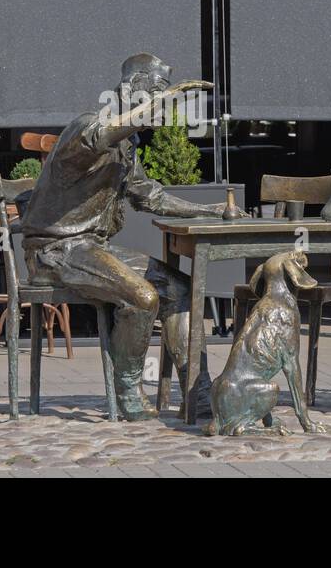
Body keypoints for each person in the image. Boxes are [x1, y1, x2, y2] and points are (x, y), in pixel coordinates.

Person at [21, 53, 239, 421]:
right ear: (128, 90)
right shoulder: (87, 127)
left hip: (92, 249)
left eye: (164, 95)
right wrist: (153, 106)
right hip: (55, 251)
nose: (161, 103)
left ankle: (197, 390)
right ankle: (128, 387)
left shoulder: (128, 147)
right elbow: (100, 136)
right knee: (142, 296)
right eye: (154, 93)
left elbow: (151, 196)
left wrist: (210, 210)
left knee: (180, 289)